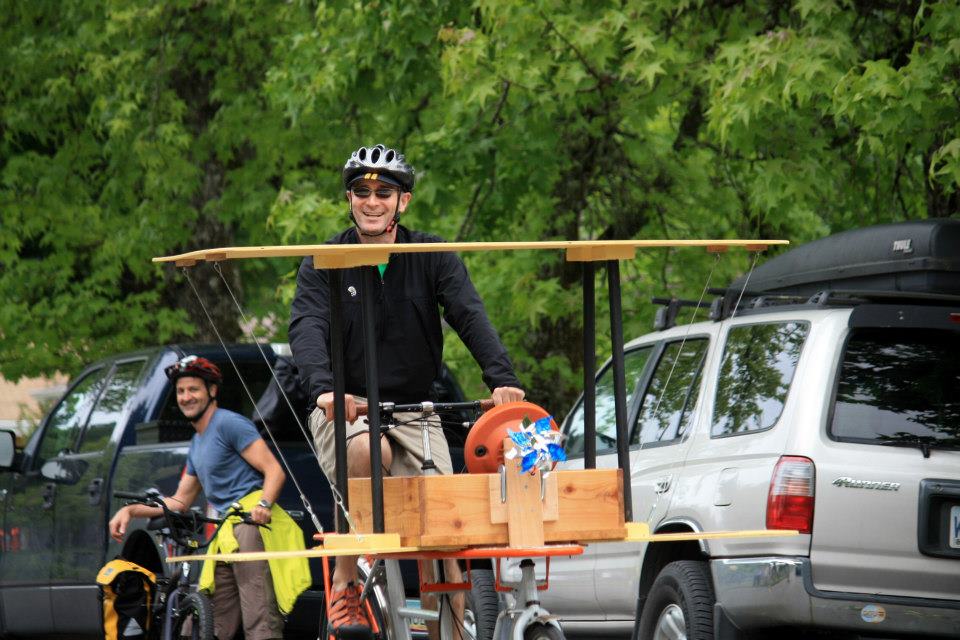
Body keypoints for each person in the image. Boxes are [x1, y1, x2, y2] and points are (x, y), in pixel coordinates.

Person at [289, 143, 525, 638]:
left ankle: (451, 631)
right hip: (347, 408)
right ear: (349, 198)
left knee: (446, 523)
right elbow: (307, 329)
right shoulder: (323, 261)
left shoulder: (429, 254)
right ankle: (347, 583)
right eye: (361, 191)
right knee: (365, 451)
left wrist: (502, 380)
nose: (371, 201)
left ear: (404, 202)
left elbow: (469, 314)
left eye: (383, 192)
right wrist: (326, 391)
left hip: (416, 410)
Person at [109, 355, 309, 640]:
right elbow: (180, 500)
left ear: (211, 391)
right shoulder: (197, 443)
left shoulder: (229, 424)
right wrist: (131, 511)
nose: (186, 397)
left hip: (250, 525)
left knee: (260, 622)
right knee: (215, 624)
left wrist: (264, 505)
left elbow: (274, 471)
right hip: (226, 533)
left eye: (194, 389)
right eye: (181, 391)